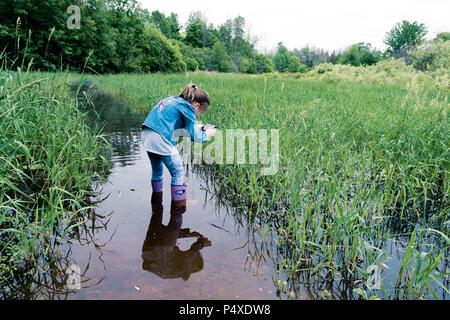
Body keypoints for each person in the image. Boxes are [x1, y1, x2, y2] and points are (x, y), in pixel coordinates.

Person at [141, 84, 217, 208]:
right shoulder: (189, 108)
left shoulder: (173, 100)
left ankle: (157, 199)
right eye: (200, 112)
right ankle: (179, 205)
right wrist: (206, 134)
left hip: (147, 135)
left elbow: (171, 124)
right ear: (197, 105)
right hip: (161, 137)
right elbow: (195, 137)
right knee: (178, 172)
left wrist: (196, 128)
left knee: (157, 170)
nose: (197, 115)